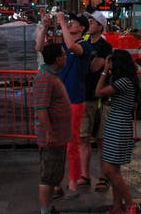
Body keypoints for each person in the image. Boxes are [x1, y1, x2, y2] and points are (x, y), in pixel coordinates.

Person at [52, 13, 92, 196]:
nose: (69, 24)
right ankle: (58, 182)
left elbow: (70, 45)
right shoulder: (64, 47)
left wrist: (61, 22)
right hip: (60, 98)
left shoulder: (84, 46)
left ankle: (73, 181)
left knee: (72, 142)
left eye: (73, 23)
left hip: (75, 99)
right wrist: (45, 25)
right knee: (58, 143)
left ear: (82, 28)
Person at [95, 49, 139, 214]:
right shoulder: (129, 81)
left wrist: (104, 71)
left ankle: (130, 203)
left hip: (118, 126)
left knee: (109, 170)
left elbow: (98, 92)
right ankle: (117, 207)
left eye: (111, 61)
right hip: (119, 124)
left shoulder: (122, 82)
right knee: (114, 170)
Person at [34, 43, 72, 214]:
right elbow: (41, 109)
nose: (66, 57)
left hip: (58, 136)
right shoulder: (45, 78)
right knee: (48, 176)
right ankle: (44, 210)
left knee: (53, 174)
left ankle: (48, 207)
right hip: (52, 138)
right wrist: (49, 131)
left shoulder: (52, 75)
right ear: (58, 59)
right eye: (64, 55)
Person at [80, 11, 113, 192]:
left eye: (93, 21)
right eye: (89, 20)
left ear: (100, 26)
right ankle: (84, 176)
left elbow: (94, 67)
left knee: (101, 141)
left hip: (98, 98)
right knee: (83, 138)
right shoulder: (84, 43)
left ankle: (103, 176)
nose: (90, 23)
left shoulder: (104, 46)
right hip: (84, 96)